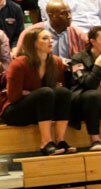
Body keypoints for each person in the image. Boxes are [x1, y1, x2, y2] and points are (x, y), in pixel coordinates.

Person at [2, 25, 75, 154]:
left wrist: (32, 93)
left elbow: (58, 89)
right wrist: (39, 94)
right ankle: (45, 142)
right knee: (46, 92)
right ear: (34, 43)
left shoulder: (56, 62)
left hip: (43, 109)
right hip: (15, 111)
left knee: (63, 92)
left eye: (51, 38)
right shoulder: (19, 64)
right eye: (45, 38)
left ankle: (60, 140)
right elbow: (14, 97)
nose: (51, 41)